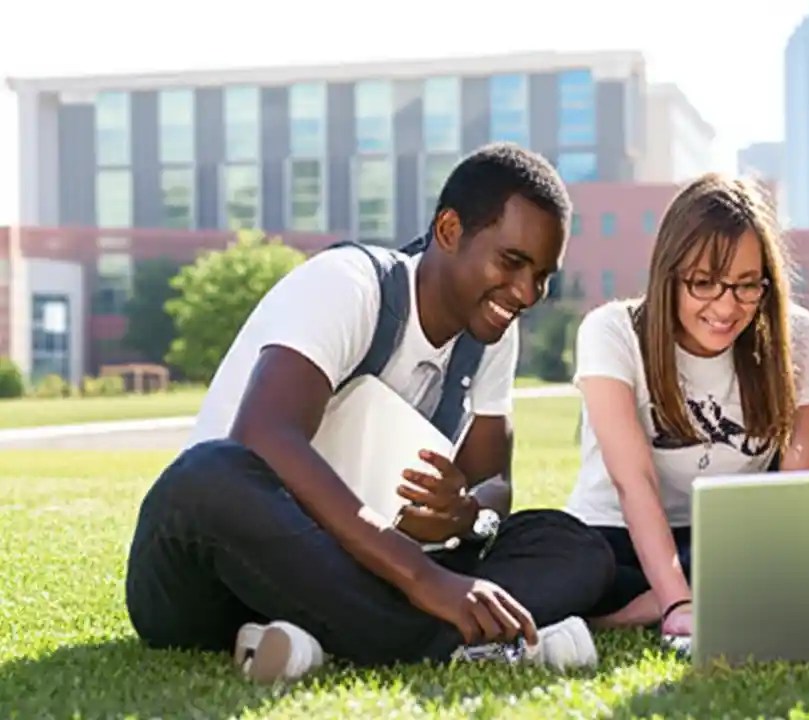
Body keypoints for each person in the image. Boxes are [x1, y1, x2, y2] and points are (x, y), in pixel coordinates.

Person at [124, 143, 616, 683]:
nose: (526, 292)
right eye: (512, 262)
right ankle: (456, 643)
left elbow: (494, 480)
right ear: (450, 231)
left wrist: (466, 513)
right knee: (208, 477)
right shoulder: (350, 285)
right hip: (218, 565)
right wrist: (423, 579)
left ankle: (319, 639)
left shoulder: (492, 332)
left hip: (352, 571)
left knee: (575, 544)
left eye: (542, 275)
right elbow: (265, 434)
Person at [563, 173, 809, 638]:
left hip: (729, 543)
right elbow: (635, 483)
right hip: (616, 539)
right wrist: (677, 603)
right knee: (567, 570)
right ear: (669, 274)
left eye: (747, 285)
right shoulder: (611, 331)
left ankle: (637, 611)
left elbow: (799, 491)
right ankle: (653, 603)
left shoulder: (799, 336)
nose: (727, 307)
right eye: (704, 283)